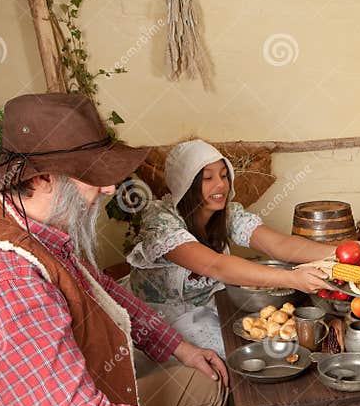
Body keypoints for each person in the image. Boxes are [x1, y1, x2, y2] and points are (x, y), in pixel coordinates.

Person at [0, 93, 283, 406]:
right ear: (41, 177)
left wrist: (178, 348)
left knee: (209, 383)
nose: (109, 188)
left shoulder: (28, 224)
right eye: (92, 175)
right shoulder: (5, 272)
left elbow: (103, 290)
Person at [126, 139, 334, 354]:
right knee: (248, 352)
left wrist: (341, 252)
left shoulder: (228, 214)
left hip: (209, 307)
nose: (221, 185)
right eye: (208, 178)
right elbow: (216, 265)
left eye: (224, 175)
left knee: (276, 340)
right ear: (184, 185)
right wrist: (291, 279)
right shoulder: (160, 222)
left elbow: (279, 244)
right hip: (161, 320)